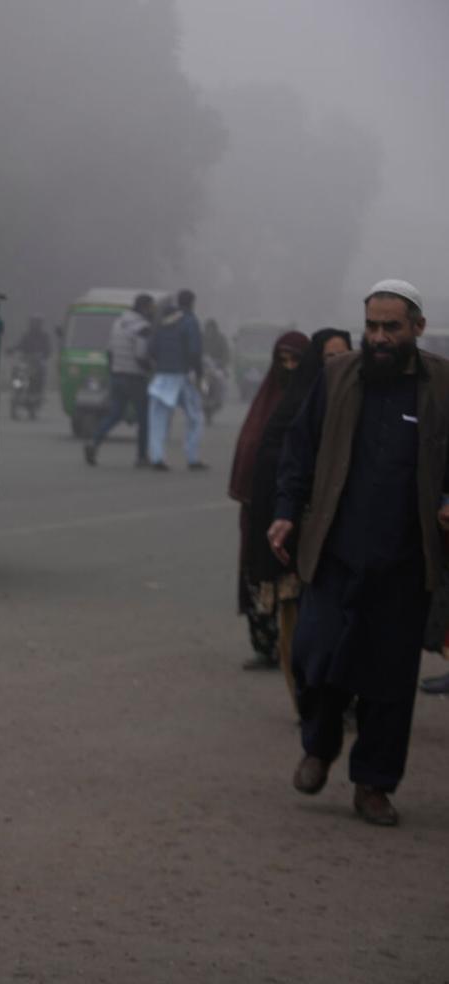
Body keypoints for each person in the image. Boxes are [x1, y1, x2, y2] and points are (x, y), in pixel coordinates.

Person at [270, 279, 449, 826]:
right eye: (371, 326)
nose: (378, 338)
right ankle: (320, 747)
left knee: (389, 681)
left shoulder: (442, 384)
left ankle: (373, 783)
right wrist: (284, 510)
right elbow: (299, 447)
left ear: (416, 329)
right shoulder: (337, 375)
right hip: (336, 551)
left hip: (405, 559)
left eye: (391, 328)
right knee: (316, 656)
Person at [225, 329, 315, 672]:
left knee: (294, 587)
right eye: (283, 360)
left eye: (296, 360)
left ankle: (295, 652)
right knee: (256, 574)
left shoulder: (309, 400)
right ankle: (265, 644)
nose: (289, 367)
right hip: (258, 508)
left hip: (296, 510)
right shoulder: (265, 400)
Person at [84, 293, 154, 467]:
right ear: (144, 307)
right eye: (151, 307)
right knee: (143, 418)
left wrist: (113, 372)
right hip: (135, 378)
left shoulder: (118, 323)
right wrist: (151, 368)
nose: (153, 311)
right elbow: (140, 355)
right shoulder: (143, 327)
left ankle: (94, 441)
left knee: (114, 414)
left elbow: (109, 351)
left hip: (117, 375)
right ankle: (141, 456)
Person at [146, 289, 206, 470]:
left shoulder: (162, 323)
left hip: (162, 376)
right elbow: (194, 351)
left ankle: (156, 458)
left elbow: (152, 349)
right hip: (182, 375)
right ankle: (192, 457)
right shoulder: (189, 321)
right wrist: (198, 372)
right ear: (192, 303)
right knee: (195, 417)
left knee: (157, 419)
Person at [7, 315, 52, 394]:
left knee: (41, 372)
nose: (35, 324)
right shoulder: (26, 335)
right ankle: (17, 387)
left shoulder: (44, 336)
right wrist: (11, 349)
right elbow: (20, 344)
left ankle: (37, 392)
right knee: (17, 370)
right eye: (33, 322)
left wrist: (44, 355)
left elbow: (48, 349)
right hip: (26, 360)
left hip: (38, 361)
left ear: (40, 324)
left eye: (37, 323)